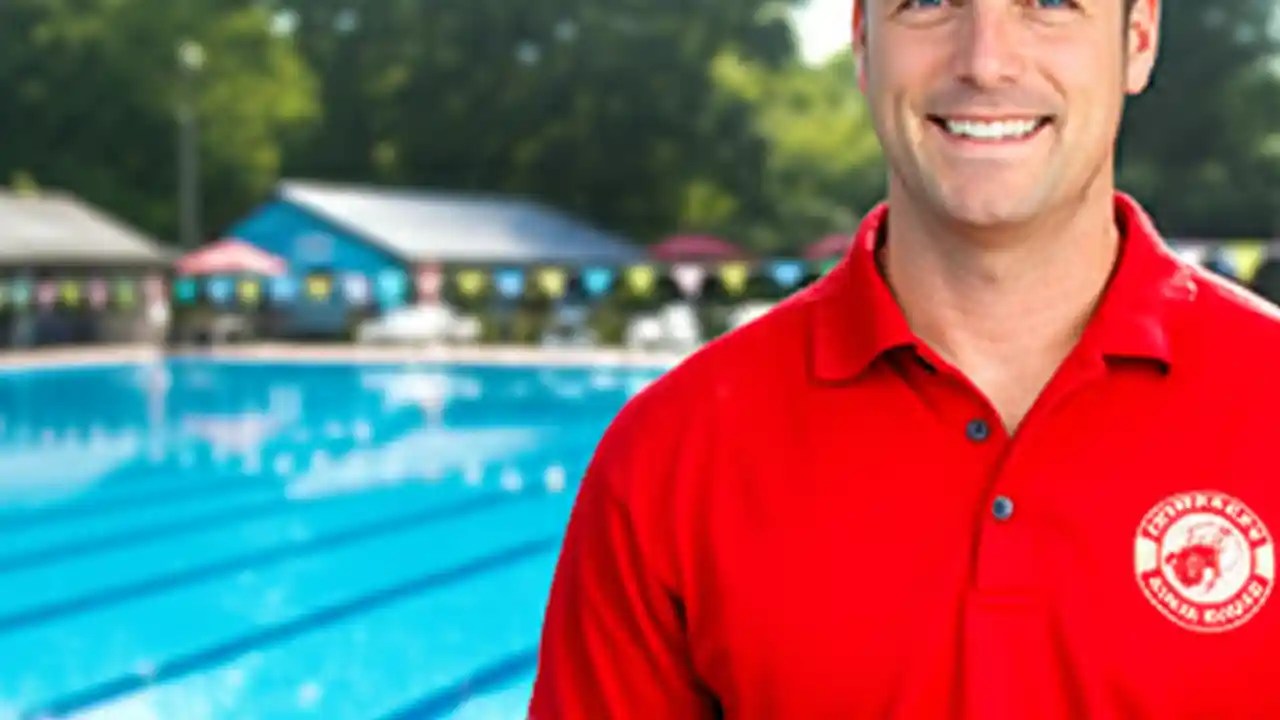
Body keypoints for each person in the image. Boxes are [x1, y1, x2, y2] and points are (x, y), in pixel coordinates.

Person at [529, 0, 1280, 717]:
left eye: (1049, 4)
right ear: (862, 38)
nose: (985, 62)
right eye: (928, 3)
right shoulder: (672, 453)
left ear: (1139, 37)